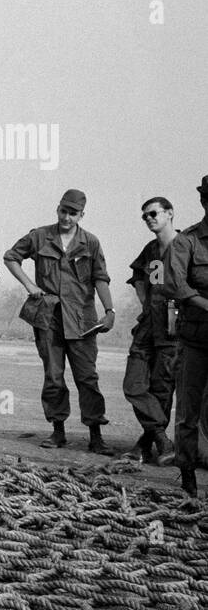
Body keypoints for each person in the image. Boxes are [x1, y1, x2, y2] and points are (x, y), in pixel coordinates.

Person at [4, 189, 117, 454]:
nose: (67, 217)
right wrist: (30, 285)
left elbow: (100, 277)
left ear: (81, 215)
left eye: (73, 213)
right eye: (63, 211)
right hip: (48, 318)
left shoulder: (91, 242)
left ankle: (95, 435)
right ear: (57, 209)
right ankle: (58, 432)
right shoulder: (40, 236)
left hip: (82, 320)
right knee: (53, 376)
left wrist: (109, 310)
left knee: (87, 377)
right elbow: (11, 257)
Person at [122, 197, 179, 465]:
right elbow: (138, 277)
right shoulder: (151, 249)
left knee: (162, 388)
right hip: (148, 323)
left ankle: (146, 444)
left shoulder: (187, 245)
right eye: (144, 216)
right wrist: (146, 302)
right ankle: (160, 438)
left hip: (174, 324)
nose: (149, 219)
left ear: (169, 213)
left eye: (153, 213)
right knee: (133, 384)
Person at [167, 175, 208, 497]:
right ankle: (187, 475)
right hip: (195, 340)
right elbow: (176, 285)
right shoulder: (187, 242)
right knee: (188, 413)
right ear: (204, 202)